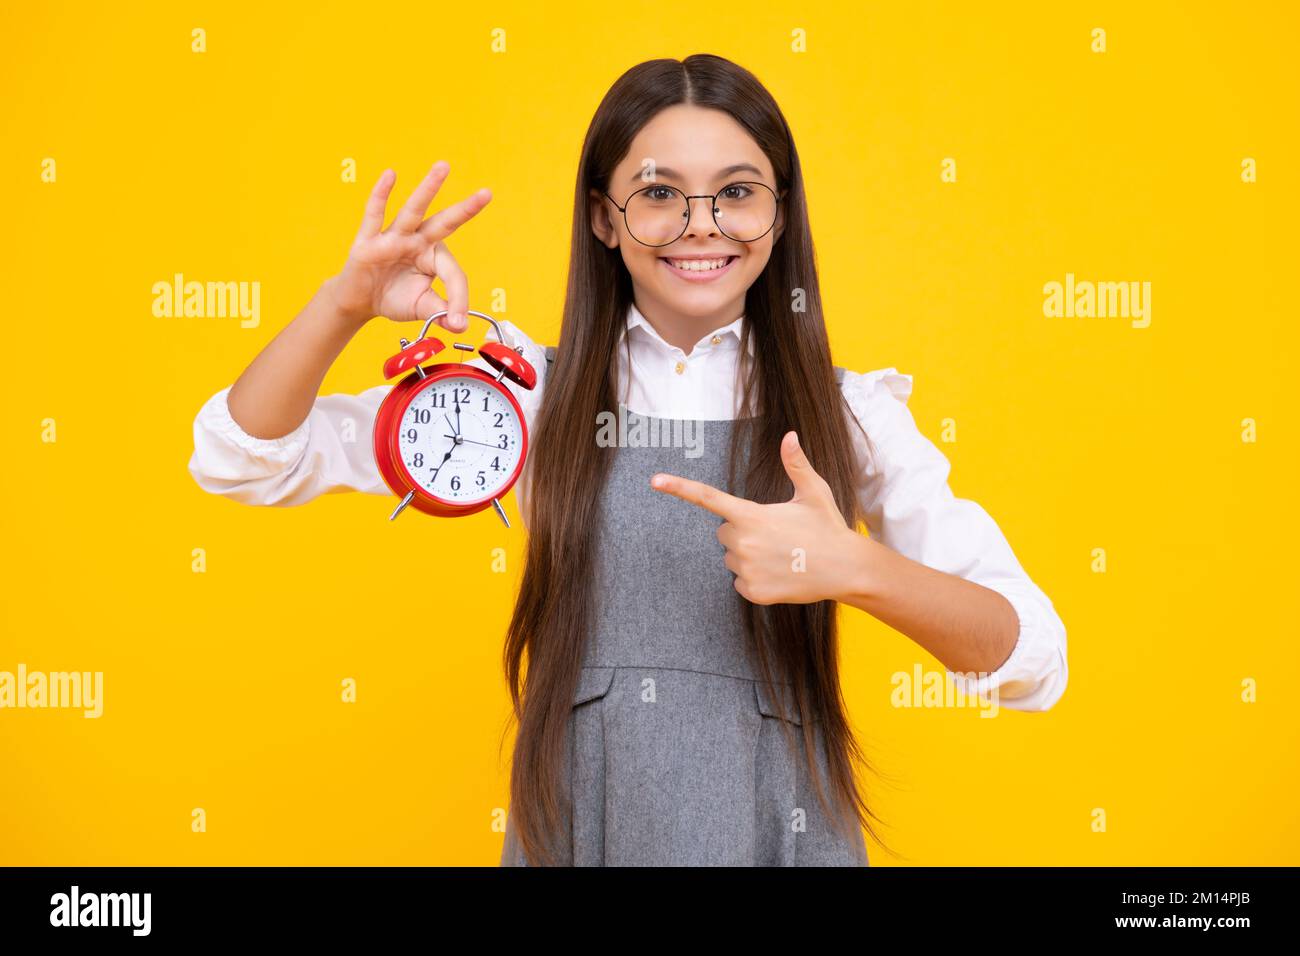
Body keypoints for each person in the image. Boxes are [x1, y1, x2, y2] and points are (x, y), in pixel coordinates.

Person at [189, 53, 1068, 866]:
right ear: (605, 219)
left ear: (780, 210)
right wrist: (343, 305)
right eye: (658, 194)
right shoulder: (526, 395)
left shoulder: (849, 413)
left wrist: (858, 567)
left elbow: (1031, 658)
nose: (702, 226)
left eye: (737, 192)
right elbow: (244, 458)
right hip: (582, 829)